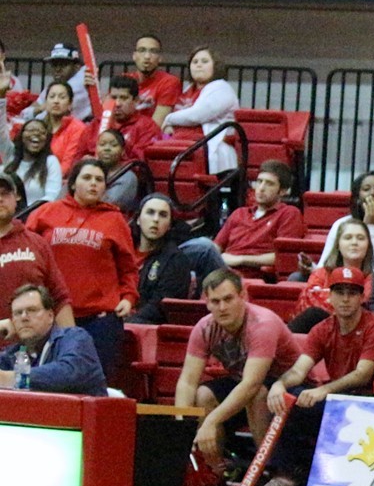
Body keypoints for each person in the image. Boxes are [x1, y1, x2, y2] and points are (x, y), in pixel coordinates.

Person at [255, 267, 374, 486]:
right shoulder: (322, 329)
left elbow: (362, 375)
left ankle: (297, 476)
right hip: (337, 402)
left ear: (362, 297)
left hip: (370, 404)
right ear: (329, 296)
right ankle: (286, 479)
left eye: (352, 293)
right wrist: (279, 385)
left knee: (302, 404)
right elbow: (299, 370)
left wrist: (323, 390)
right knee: (287, 398)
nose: (345, 298)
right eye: (339, 292)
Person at [25, 159, 139, 381]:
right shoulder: (46, 212)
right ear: (73, 184)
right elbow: (28, 253)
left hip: (100, 319)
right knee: (50, 382)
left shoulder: (115, 219)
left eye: (99, 180)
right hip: (53, 316)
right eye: (87, 178)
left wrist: (128, 296)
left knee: (97, 382)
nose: (93, 184)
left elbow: (128, 267)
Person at [176, 270, 301, 470]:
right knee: (203, 394)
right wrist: (181, 427)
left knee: (257, 394)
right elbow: (187, 381)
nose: (222, 307)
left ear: (243, 296)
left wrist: (211, 421)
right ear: (206, 303)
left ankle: (270, 471)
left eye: (228, 299)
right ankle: (213, 471)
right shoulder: (204, 328)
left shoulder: (262, 324)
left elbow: (251, 384)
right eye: (215, 302)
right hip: (249, 384)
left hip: (292, 388)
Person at [0, 284, 106, 396]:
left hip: (82, 411)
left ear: (50, 316)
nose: (24, 317)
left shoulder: (75, 337)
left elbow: (69, 372)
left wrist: (11, 378)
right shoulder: (12, 354)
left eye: (32, 310)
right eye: (17, 313)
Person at [210, 160, 305, 274]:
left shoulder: (289, 213)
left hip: (254, 275)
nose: (261, 188)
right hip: (221, 270)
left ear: (283, 191)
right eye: (259, 182)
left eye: (269, 183)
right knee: (201, 247)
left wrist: (241, 260)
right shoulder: (239, 213)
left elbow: (285, 256)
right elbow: (216, 247)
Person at [0, 171, 72, 319]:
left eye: (5, 193)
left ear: (16, 198)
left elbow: (59, 297)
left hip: (33, 341)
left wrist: (71, 340)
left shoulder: (37, 243)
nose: (0, 199)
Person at [131, 192, 210, 323]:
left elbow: (159, 308)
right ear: (138, 219)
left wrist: (126, 320)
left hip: (146, 326)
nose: (155, 219)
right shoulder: (121, 251)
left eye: (163, 215)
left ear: (169, 225)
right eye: (150, 212)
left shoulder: (176, 260)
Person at [290, 220, 374, 332]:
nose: (354, 242)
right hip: (317, 326)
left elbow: (360, 304)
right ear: (338, 244)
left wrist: (326, 297)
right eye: (348, 238)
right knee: (312, 314)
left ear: (368, 245)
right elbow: (308, 300)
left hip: (355, 329)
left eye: (360, 238)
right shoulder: (322, 272)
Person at [164, 47, 240, 173]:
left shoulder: (221, 88)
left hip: (211, 150)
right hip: (183, 147)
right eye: (195, 62)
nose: (199, 65)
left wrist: (169, 119)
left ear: (216, 66)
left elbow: (196, 116)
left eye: (205, 61)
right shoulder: (188, 90)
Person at [320, 171, 374, 266]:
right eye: (366, 189)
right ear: (357, 197)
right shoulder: (342, 223)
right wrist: (311, 267)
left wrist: (369, 225)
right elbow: (323, 266)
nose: (372, 193)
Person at [102, 75, 162, 162]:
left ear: (136, 100)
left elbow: (140, 162)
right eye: (114, 98)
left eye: (124, 98)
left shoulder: (148, 127)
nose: (117, 104)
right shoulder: (97, 123)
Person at [34, 82, 91, 169]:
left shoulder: (78, 128)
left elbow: (68, 165)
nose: (56, 101)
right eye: (52, 97)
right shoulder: (38, 125)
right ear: (46, 102)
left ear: (70, 104)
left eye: (62, 97)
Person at [6, 120, 63, 204]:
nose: (36, 134)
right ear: (21, 135)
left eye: (42, 132)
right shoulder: (10, 156)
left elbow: (52, 197)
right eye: (31, 130)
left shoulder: (50, 161)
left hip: (36, 215)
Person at [131, 34, 181, 128]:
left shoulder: (169, 82)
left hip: (149, 138)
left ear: (160, 58)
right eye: (142, 50)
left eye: (153, 51)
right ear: (134, 56)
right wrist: (93, 86)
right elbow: (106, 114)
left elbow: (155, 126)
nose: (147, 56)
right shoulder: (124, 79)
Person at [94, 130, 144, 217]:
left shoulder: (128, 177)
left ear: (123, 151)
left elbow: (108, 204)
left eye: (113, 145)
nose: (107, 148)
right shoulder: (86, 170)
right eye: (102, 144)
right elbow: (64, 196)